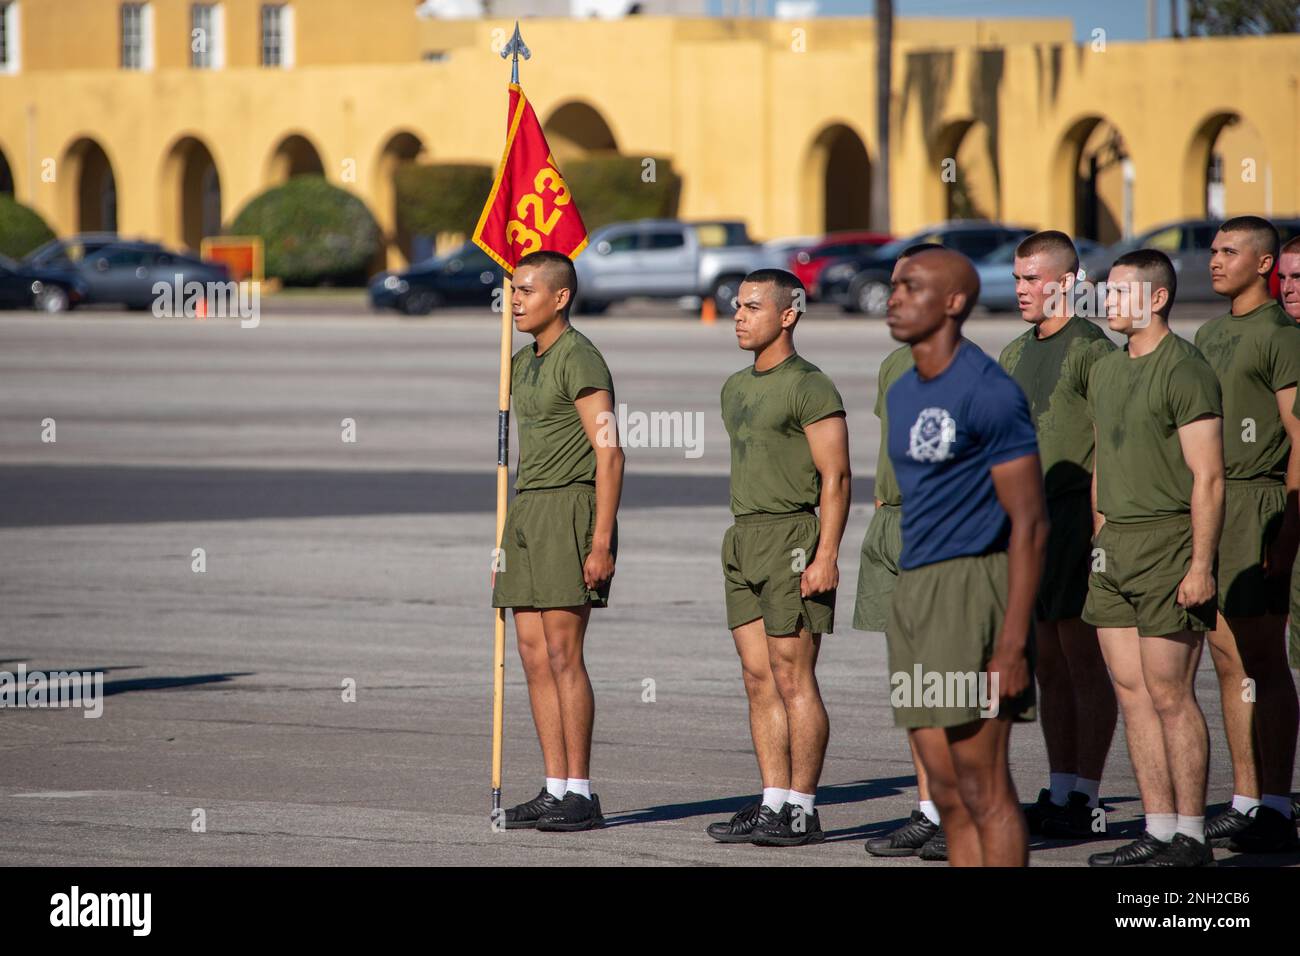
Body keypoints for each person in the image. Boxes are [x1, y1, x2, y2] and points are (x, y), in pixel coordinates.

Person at [884, 247, 1045, 867]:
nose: (895, 297)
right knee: (946, 793)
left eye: (913, 287)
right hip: (914, 591)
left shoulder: (989, 391)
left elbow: (1030, 524)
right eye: (895, 286)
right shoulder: (901, 392)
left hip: (976, 586)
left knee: (983, 786)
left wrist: (1009, 645)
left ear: (954, 303)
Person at [1083, 249, 1224, 867]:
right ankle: (1159, 827)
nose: (1107, 303)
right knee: (1132, 692)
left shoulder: (1185, 368)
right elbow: (1101, 460)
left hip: (1169, 544)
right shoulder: (1106, 369)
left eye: (1118, 294)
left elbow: (1209, 477)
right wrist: (1100, 535)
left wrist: (1200, 565)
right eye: (1106, 294)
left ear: (1157, 299)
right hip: (1115, 549)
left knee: (1171, 694)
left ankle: (1192, 834)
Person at [707, 268, 850, 847]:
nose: (739, 316)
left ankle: (802, 808)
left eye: (753, 307)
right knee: (756, 677)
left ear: (788, 314)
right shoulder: (734, 386)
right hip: (743, 538)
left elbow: (836, 478)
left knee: (795, 678)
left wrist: (827, 555)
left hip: (794, 538)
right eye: (737, 306)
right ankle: (772, 801)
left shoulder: (810, 385)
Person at [491, 250, 624, 832]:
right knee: (531, 654)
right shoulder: (521, 361)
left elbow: (610, 451)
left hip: (572, 508)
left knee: (565, 654)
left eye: (526, 291)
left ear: (560, 297)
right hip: (526, 510)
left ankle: (581, 792)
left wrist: (600, 542)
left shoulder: (581, 357)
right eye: (513, 291)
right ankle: (552, 785)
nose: (515, 300)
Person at [998, 230, 1118, 839]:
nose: (1019, 290)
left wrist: (1101, 534)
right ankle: (1061, 785)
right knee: (1047, 663)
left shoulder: (1093, 349)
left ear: (1067, 282)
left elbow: (1109, 446)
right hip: (1029, 525)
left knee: (1083, 661)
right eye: (1017, 278)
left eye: (1031, 279)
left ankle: (1089, 796)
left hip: (1078, 519)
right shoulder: (1015, 353)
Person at [1195, 216, 1300, 853]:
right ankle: (1244, 797)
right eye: (1213, 249)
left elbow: (1298, 439)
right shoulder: (1207, 332)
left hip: (1259, 501)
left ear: (1263, 264)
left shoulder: (1282, 335)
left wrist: (1285, 535)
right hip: (1212, 505)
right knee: (1228, 660)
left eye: (1229, 251)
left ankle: (1278, 803)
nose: (1214, 261)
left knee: (1265, 661)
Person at [856, 243, 953, 862]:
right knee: (912, 687)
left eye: (910, 286)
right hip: (891, 529)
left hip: (940, 537)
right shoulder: (895, 365)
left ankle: (958, 809)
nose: (895, 297)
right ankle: (927, 808)